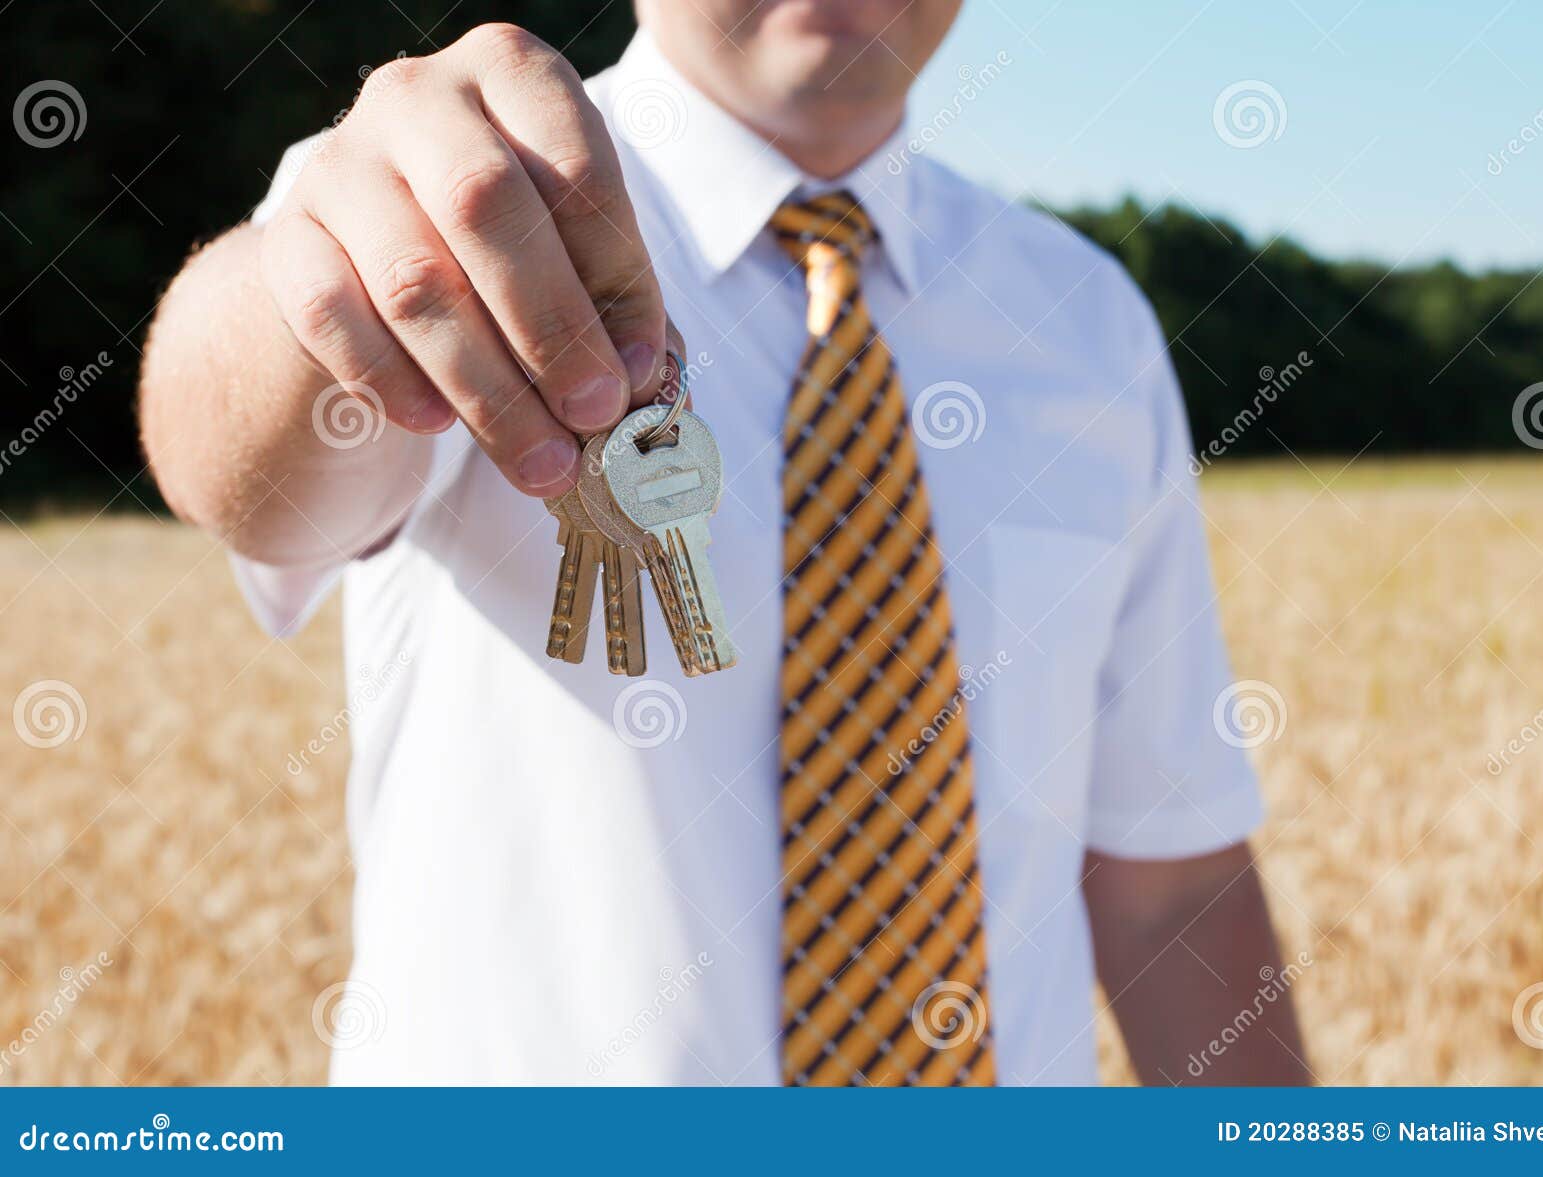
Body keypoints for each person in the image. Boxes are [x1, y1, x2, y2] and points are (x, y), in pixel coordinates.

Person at [138, 0, 1307, 1085]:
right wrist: (306, 302)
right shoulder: (447, 197)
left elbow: (1171, 885)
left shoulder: (1086, 317)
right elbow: (235, 465)